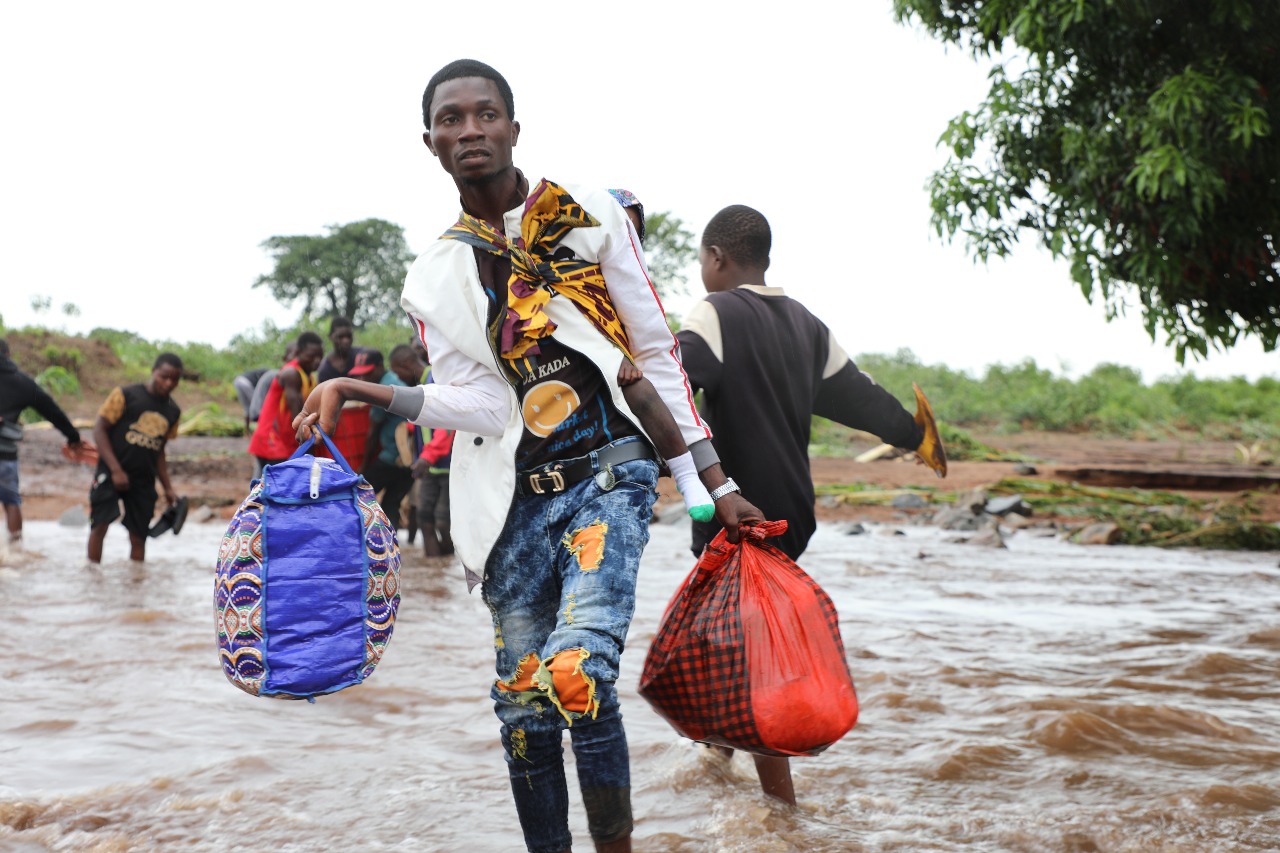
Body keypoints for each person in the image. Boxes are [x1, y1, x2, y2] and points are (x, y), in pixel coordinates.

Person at [295, 58, 762, 853]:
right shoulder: (435, 275)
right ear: (430, 141)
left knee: (578, 669)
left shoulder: (589, 218)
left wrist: (711, 482)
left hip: (609, 470)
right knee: (523, 701)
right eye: (451, 119)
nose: (469, 129)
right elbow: (480, 403)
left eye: (485, 114)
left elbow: (654, 355)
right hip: (514, 502)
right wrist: (362, 388)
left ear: (514, 127)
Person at [675, 203, 948, 805]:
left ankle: (780, 813)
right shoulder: (807, 324)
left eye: (701, 260)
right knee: (734, 642)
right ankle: (715, 769)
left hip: (737, 512)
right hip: (792, 516)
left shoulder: (715, 311)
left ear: (716, 258)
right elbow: (863, 401)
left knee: (747, 655)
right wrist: (915, 436)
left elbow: (672, 379)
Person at [87, 353, 185, 563]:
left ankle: (136, 585)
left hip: (143, 479)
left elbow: (159, 450)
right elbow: (99, 430)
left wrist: (167, 487)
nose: (168, 383)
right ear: (154, 371)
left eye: (174, 379)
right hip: (111, 471)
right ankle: (93, 580)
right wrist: (115, 470)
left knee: (139, 536)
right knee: (99, 526)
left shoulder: (173, 411)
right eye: (164, 376)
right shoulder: (125, 395)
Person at [0, 338, 88, 550]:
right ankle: (16, 550)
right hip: (5, 455)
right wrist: (73, 437)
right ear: (8, 355)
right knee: (12, 502)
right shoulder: (22, 382)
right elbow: (52, 411)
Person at [359, 346, 421, 533]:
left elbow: (372, 433)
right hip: (410, 460)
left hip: (391, 457)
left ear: (379, 367)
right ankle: (393, 551)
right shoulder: (396, 382)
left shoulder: (383, 389)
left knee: (359, 496)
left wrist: (363, 464)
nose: (364, 379)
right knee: (391, 504)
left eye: (367, 374)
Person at [247, 332, 324, 474]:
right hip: (272, 441)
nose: (317, 361)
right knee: (274, 490)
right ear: (298, 353)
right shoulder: (291, 374)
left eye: (320, 356)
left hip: (285, 441)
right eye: (311, 356)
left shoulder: (310, 377)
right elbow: (300, 419)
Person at [316, 316, 364, 382]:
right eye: (340, 337)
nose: (346, 341)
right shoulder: (325, 369)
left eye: (349, 336)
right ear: (330, 337)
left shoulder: (362, 356)